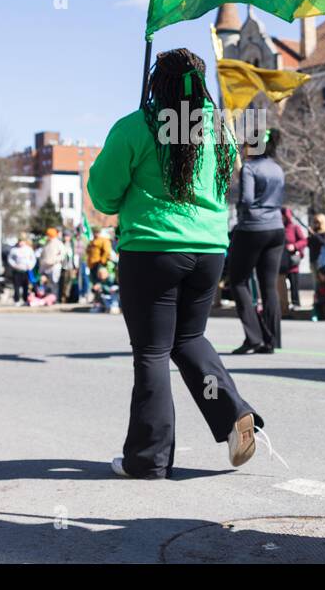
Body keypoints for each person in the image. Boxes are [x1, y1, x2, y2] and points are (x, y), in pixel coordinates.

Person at [87, 47, 264, 479]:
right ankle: (233, 412)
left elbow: (103, 194)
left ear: (156, 83)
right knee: (190, 338)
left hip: (152, 250)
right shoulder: (220, 127)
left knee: (151, 352)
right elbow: (229, 175)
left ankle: (148, 459)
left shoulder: (135, 125)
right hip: (208, 249)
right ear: (200, 84)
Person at [228, 127, 286, 355]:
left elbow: (247, 199)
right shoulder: (277, 168)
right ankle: (272, 339)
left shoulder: (250, 168)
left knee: (239, 282)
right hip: (276, 228)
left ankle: (253, 337)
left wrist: (240, 211)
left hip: (253, 228)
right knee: (268, 286)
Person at [278, 207, 307, 310]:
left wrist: (294, 246)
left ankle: (296, 303)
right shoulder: (279, 228)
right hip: (281, 261)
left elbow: (304, 241)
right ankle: (283, 304)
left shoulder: (295, 228)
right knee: (281, 284)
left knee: (294, 283)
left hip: (292, 261)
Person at [7, 237, 35, 304]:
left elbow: (33, 259)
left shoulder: (29, 249)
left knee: (26, 286)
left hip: (26, 270)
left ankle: (25, 300)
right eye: (20, 241)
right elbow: (10, 259)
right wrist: (14, 265)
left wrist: (30, 266)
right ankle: (17, 300)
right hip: (17, 270)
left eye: (22, 241)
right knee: (16, 286)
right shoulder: (14, 250)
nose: (21, 243)